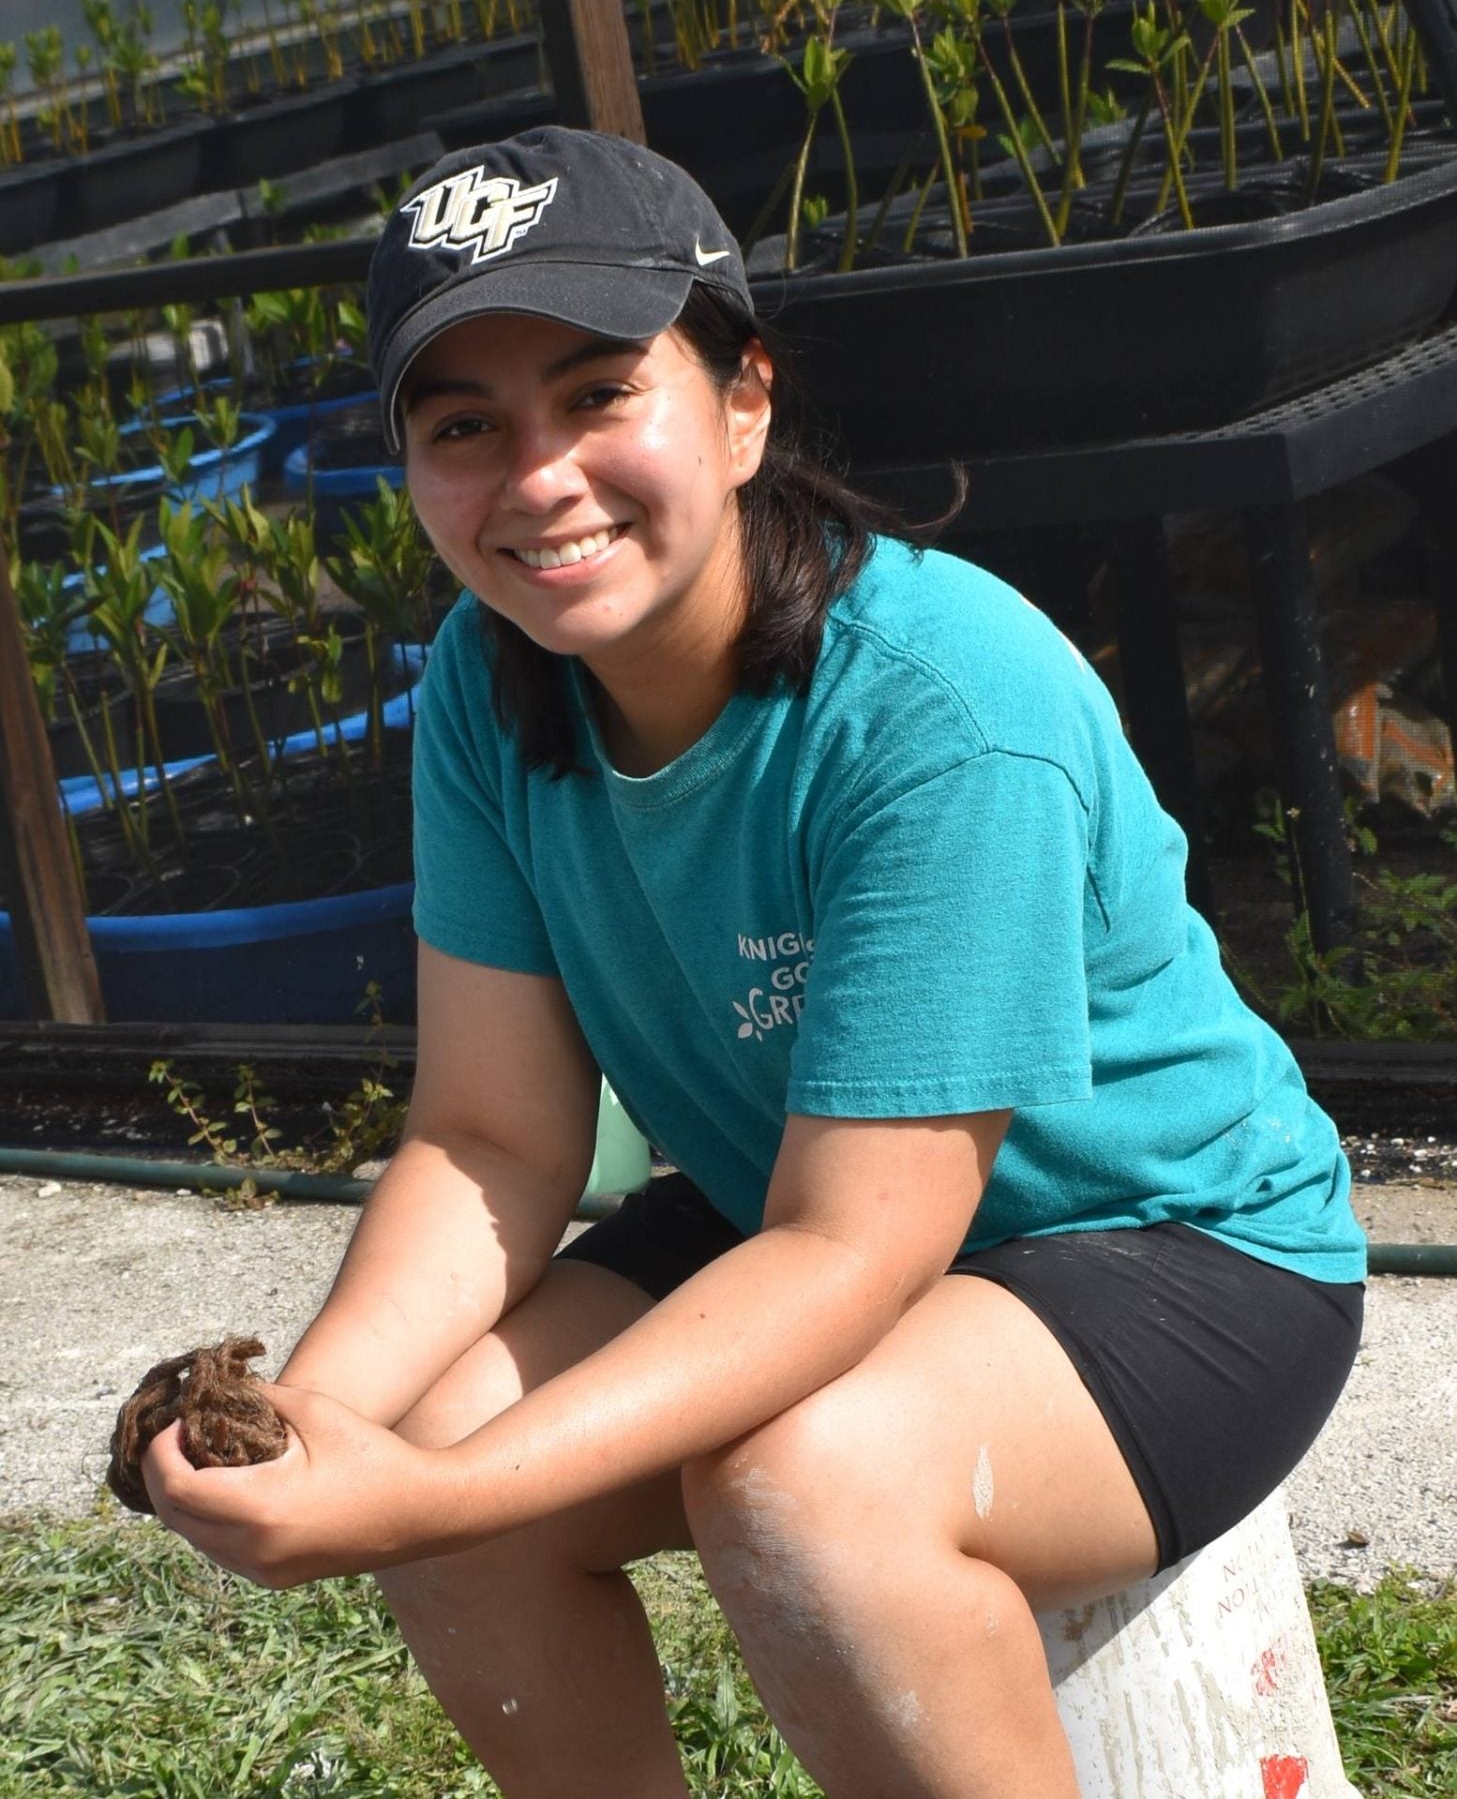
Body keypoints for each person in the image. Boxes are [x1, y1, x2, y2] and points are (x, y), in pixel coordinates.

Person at [142, 126, 1366, 1799]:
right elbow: (490, 1138)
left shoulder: (936, 705)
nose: (538, 475)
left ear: (741, 405)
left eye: (595, 394)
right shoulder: (489, 690)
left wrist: (438, 1490)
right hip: (770, 1192)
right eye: (462, 427)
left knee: (802, 1486)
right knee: (421, 1442)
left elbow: (858, 1247)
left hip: (1162, 1247)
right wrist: (319, 1429)